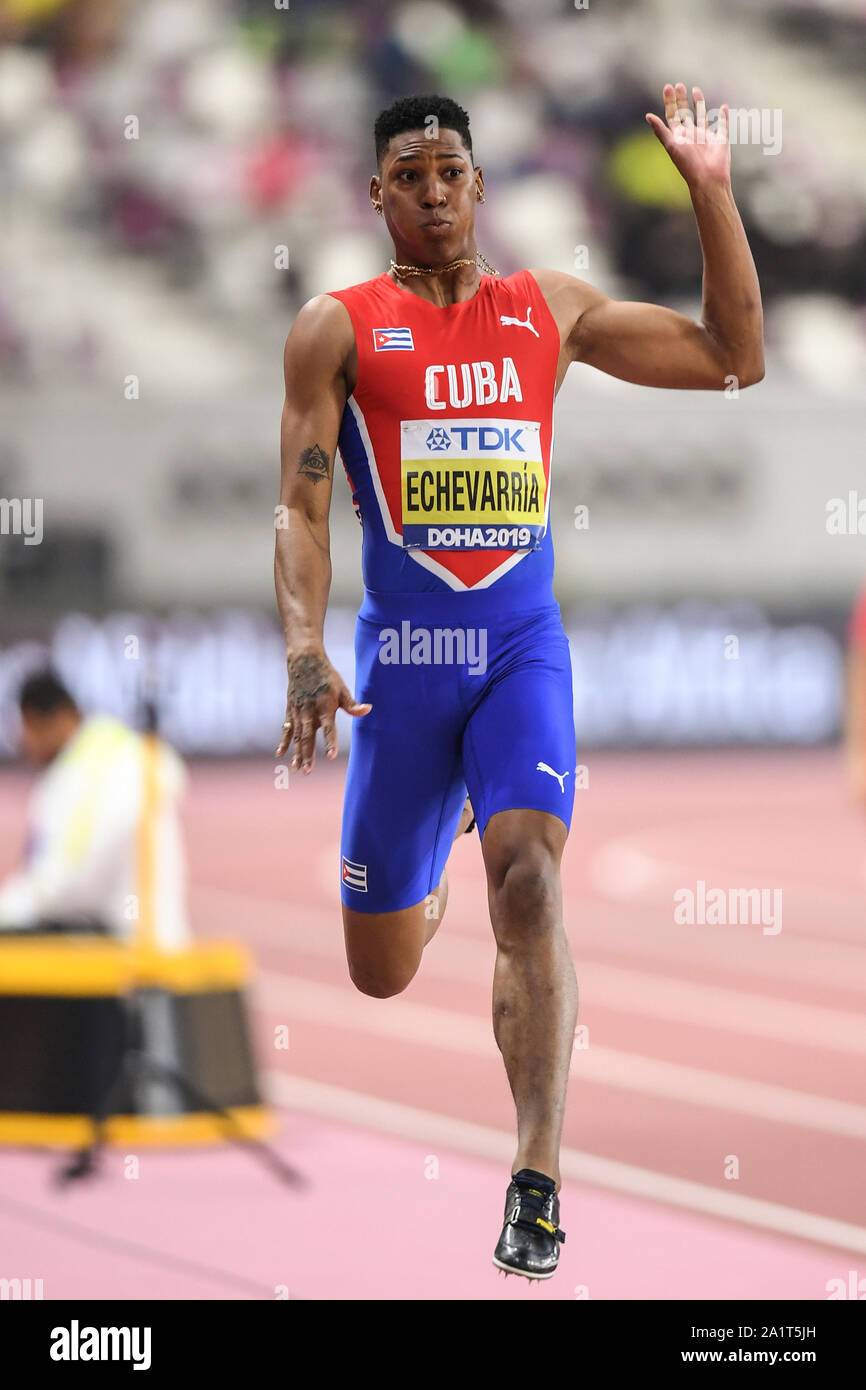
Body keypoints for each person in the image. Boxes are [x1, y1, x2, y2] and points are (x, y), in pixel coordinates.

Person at [274, 87, 764, 1279]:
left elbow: (730, 358)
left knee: (532, 885)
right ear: (376, 194)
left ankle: (534, 1183)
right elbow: (297, 499)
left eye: (452, 169)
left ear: (479, 186)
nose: (434, 190)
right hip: (405, 668)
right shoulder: (336, 328)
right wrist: (301, 644)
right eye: (409, 173)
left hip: (516, 651)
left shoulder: (543, 309)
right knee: (378, 970)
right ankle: (424, 872)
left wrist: (710, 191)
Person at [0, 672, 190, 949]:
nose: (25, 741)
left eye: (30, 727)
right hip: (126, 939)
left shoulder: (93, 773)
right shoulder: (97, 758)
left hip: (131, 954)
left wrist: (8, 907)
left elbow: (66, 879)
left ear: (62, 717)